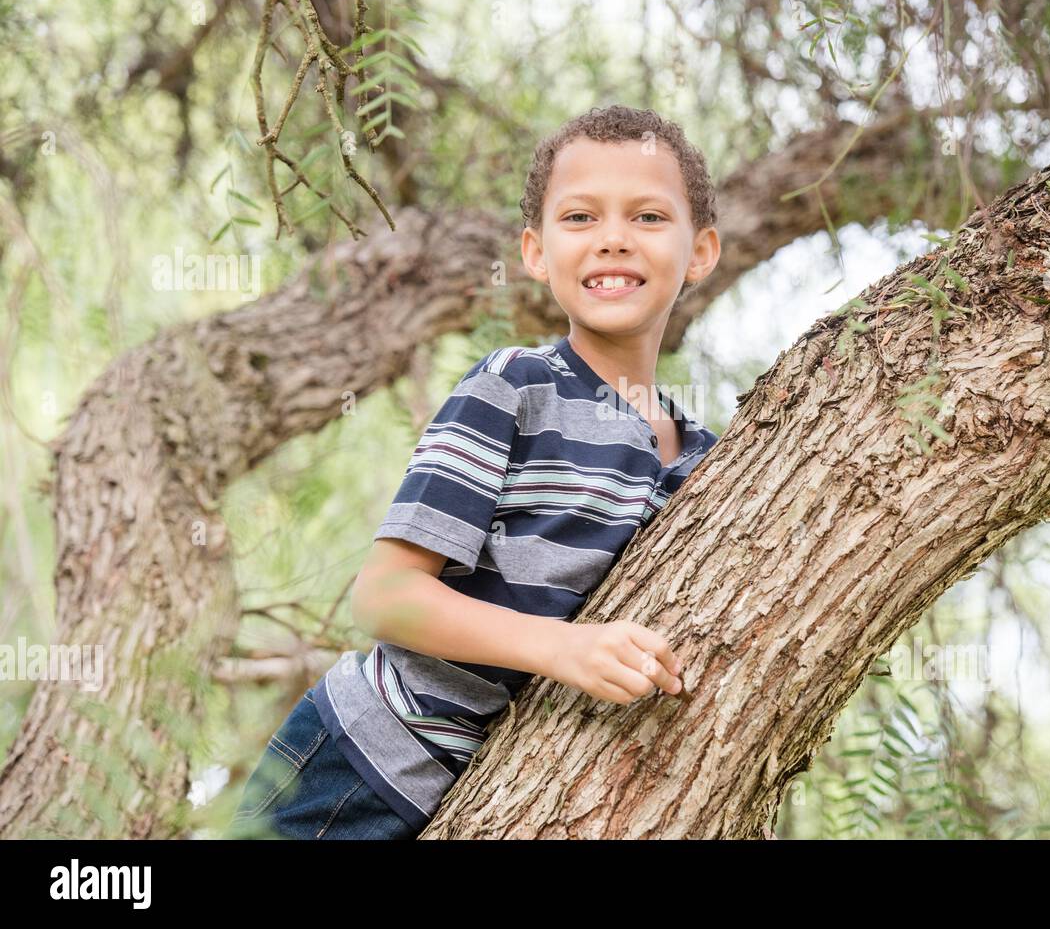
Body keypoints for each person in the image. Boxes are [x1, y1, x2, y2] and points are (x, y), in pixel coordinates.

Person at [226, 103, 723, 839]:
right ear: (534, 251)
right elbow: (386, 596)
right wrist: (563, 649)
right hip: (358, 764)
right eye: (580, 218)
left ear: (702, 251)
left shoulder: (702, 461)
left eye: (648, 217)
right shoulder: (515, 387)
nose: (613, 240)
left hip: (477, 791)